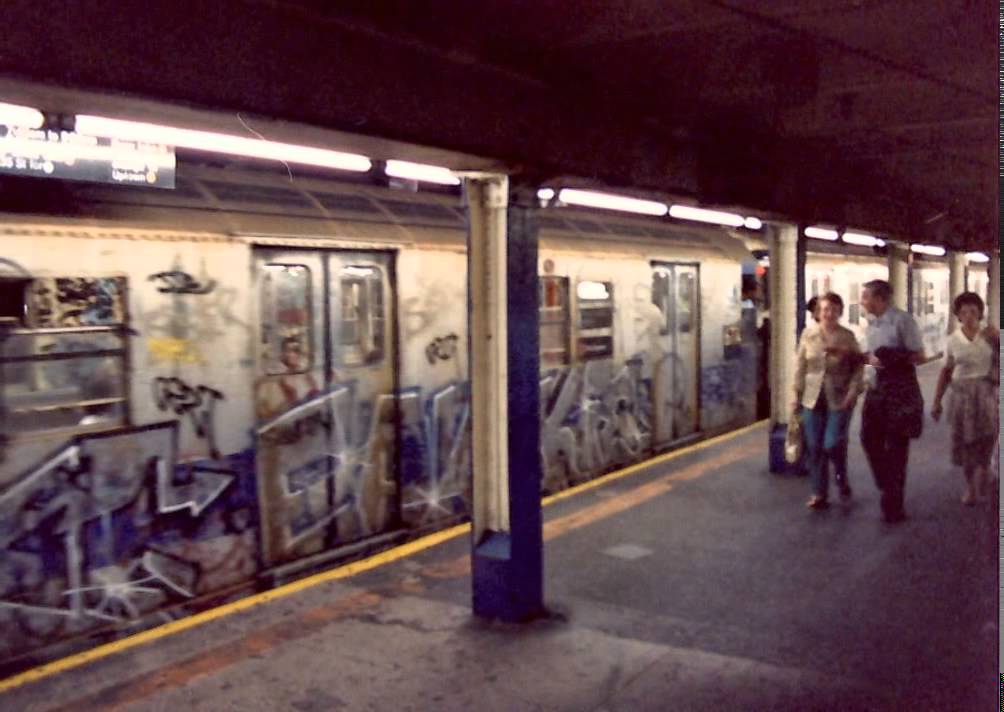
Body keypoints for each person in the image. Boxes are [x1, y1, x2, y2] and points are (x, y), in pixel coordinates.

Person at [859, 279, 924, 523]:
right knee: (868, 438)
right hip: (876, 390)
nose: (862, 301)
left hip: (899, 390)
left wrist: (889, 358)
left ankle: (893, 505)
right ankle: (889, 484)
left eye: (865, 297)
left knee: (897, 447)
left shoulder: (902, 321)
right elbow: (873, 358)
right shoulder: (872, 324)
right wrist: (863, 359)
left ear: (879, 299)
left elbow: (919, 355)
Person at [790, 292, 864, 509]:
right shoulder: (808, 335)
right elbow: (799, 366)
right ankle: (819, 493)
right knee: (815, 446)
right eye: (824, 310)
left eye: (833, 309)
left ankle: (841, 478)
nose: (828, 314)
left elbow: (859, 367)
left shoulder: (847, 337)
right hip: (812, 398)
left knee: (832, 443)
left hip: (840, 398)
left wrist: (854, 390)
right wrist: (795, 395)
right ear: (818, 313)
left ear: (840, 312)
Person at [930, 292, 999, 504]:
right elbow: (945, 372)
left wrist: (998, 341)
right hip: (961, 396)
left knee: (988, 438)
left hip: (986, 393)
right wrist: (936, 402)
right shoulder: (952, 340)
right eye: (964, 312)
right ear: (958, 316)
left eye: (973, 311)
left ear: (980, 313)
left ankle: (986, 469)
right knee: (966, 443)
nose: (969, 316)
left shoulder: (991, 336)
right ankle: (970, 487)